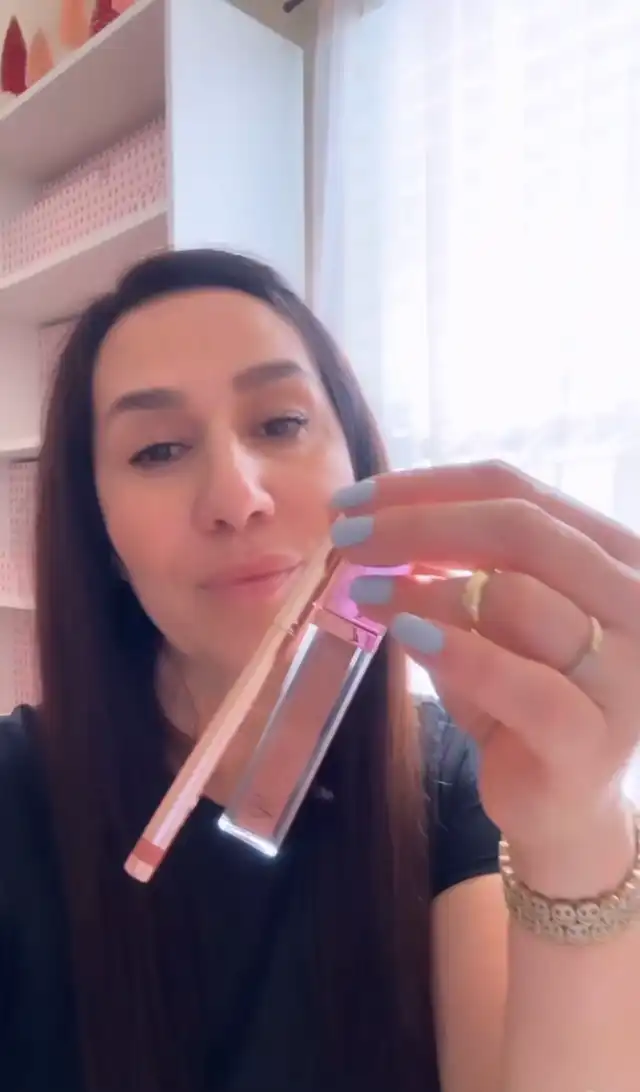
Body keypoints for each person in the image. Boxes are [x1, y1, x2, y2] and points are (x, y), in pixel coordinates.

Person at [1, 249, 639, 1092]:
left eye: (280, 424)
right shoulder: (16, 792)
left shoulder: (460, 784)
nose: (238, 497)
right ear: (102, 534)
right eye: (158, 449)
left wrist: (575, 828)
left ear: (359, 469)